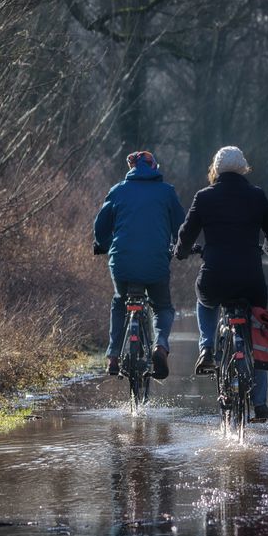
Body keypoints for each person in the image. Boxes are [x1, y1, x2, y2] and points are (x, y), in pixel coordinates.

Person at [174, 146, 268, 420]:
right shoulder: (256, 195)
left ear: (216, 170)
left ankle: (207, 348)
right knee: (256, 330)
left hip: (215, 277)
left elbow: (187, 233)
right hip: (250, 280)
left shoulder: (205, 197)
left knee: (205, 300)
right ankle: (260, 404)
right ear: (243, 168)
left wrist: (181, 252)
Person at [94, 151, 185, 379]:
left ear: (131, 168)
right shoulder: (166, 192)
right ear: (154, 167)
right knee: (162, 306)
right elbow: (181, 226)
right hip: (156, 263)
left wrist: (102, 244)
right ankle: (160, 347)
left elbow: (101, 225)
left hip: (122, 262)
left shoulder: (118, 191)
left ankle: (113, 356)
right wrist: (178, 247)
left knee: (119, 301)